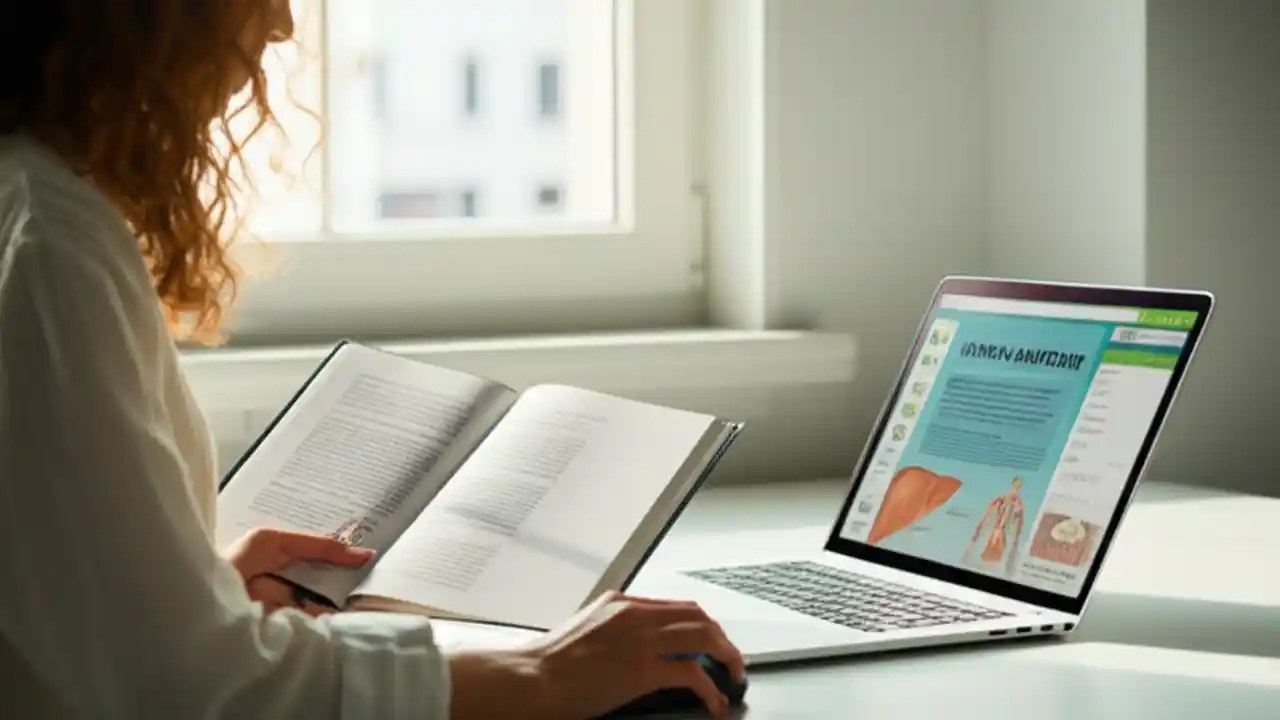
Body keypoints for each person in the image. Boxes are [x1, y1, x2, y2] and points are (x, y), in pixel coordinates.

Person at [0, 1, 743, 717]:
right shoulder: (51, 248)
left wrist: (188, 592)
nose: (283, 21)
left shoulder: (37, 202)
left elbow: (72, 620)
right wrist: (545, 670)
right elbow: (193, 693)